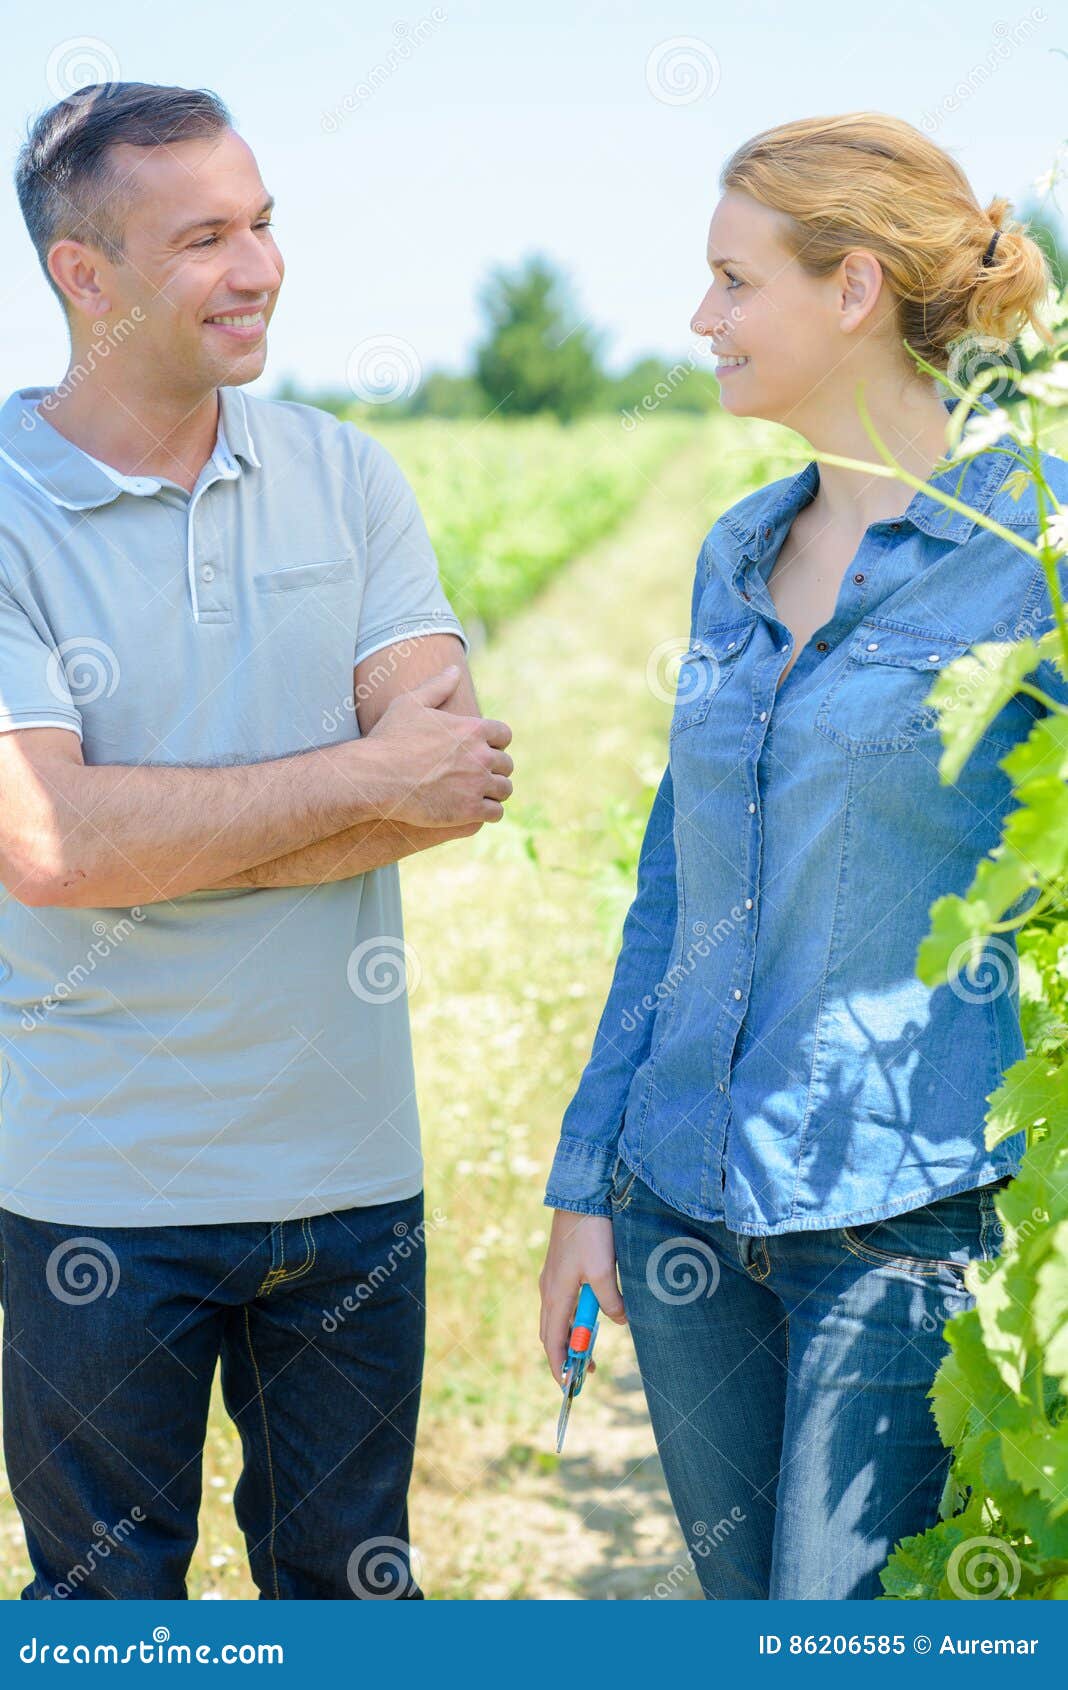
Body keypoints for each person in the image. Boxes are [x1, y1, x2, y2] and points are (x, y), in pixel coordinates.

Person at [538, 111, 1067, 1600]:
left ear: (851, 291)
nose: (700, 321)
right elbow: (673, 888)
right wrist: (590, 1184)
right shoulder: (736, 552)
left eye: (730, 281)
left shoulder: (1034, 556)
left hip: (904, 1213)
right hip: (682, 1208)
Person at [0, 80, 513, 1599]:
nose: (262, 267)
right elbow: (49, 846)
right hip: (95, 1194)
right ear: (83, 277)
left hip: (351, 1175)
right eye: (207, 237)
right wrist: (356, 781)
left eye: (267, 223)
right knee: (105, 1610)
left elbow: (458, 778)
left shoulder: (349, 475)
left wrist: (148, 833)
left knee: (354, 1591)